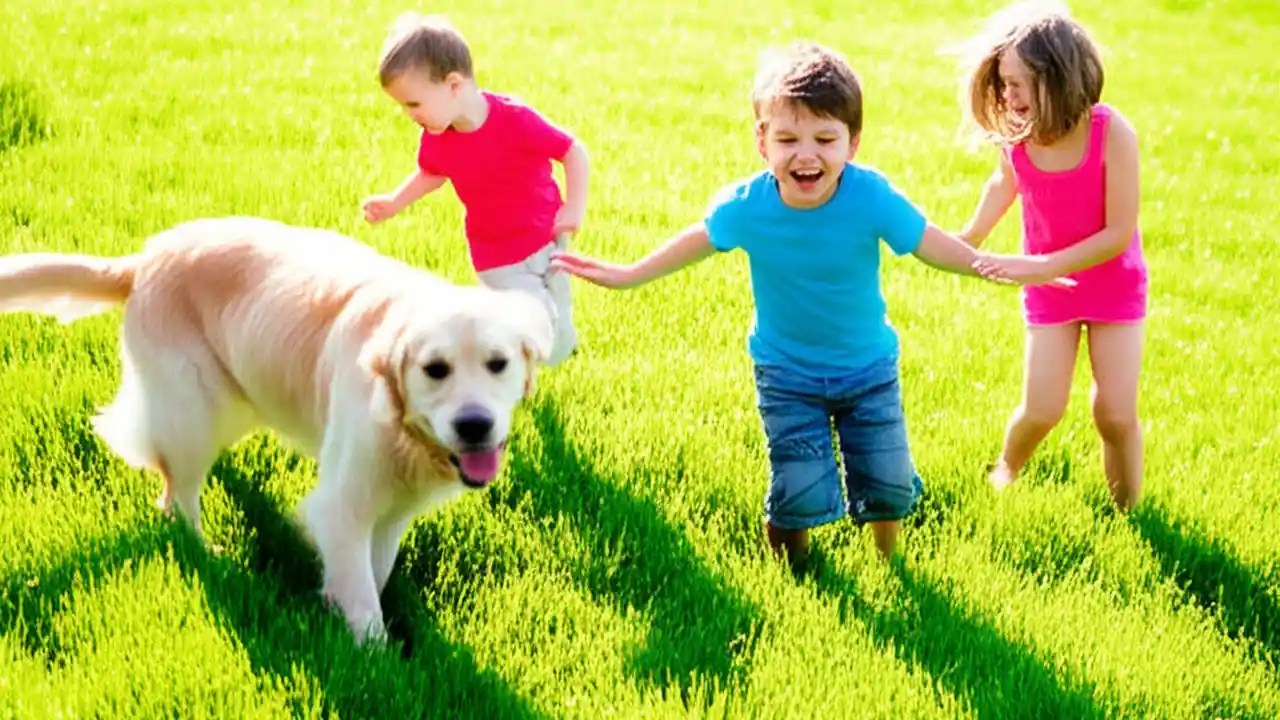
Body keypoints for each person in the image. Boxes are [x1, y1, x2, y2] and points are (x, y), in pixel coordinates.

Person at [551, 41, 1059, 566]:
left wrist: (1002, 266)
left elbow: (933, 245)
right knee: (799, 489)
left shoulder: (871, 197)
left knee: (887, 481)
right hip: (787, 374)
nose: (806, 154)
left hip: (868, 370)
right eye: (787, 139)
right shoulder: (747, 207)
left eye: (825, 139)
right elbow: (696, 241)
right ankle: (793, 567)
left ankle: (890, 561)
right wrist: (629, 275)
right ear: (762, 141)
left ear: (853, 144)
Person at [954, 1, 1147, 510]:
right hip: (1050, 293)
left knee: (1115, 413)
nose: (1007, 95)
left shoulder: (1112, 133)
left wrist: (1040, 266)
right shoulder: (1019, 138)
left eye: (1019, 83)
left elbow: (1117, 232)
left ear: (1060, 77)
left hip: (1113, 285)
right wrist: (969, 236)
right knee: (1042, 407)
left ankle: (1125, 510)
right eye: (1004, 82)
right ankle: (1005, 470)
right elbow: (1003, 185)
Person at [362, 12, 589, 365]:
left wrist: (573, 208)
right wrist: (394, 202)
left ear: (454, 85)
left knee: (558, 302)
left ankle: (557, 351)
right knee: (535, 320)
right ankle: (519, 370)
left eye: (414, 103)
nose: (409, 114)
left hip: (547, 237)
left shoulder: (515, 120)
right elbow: (431, 174)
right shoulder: (437, 139)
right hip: (496, 253)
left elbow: (572, 151)